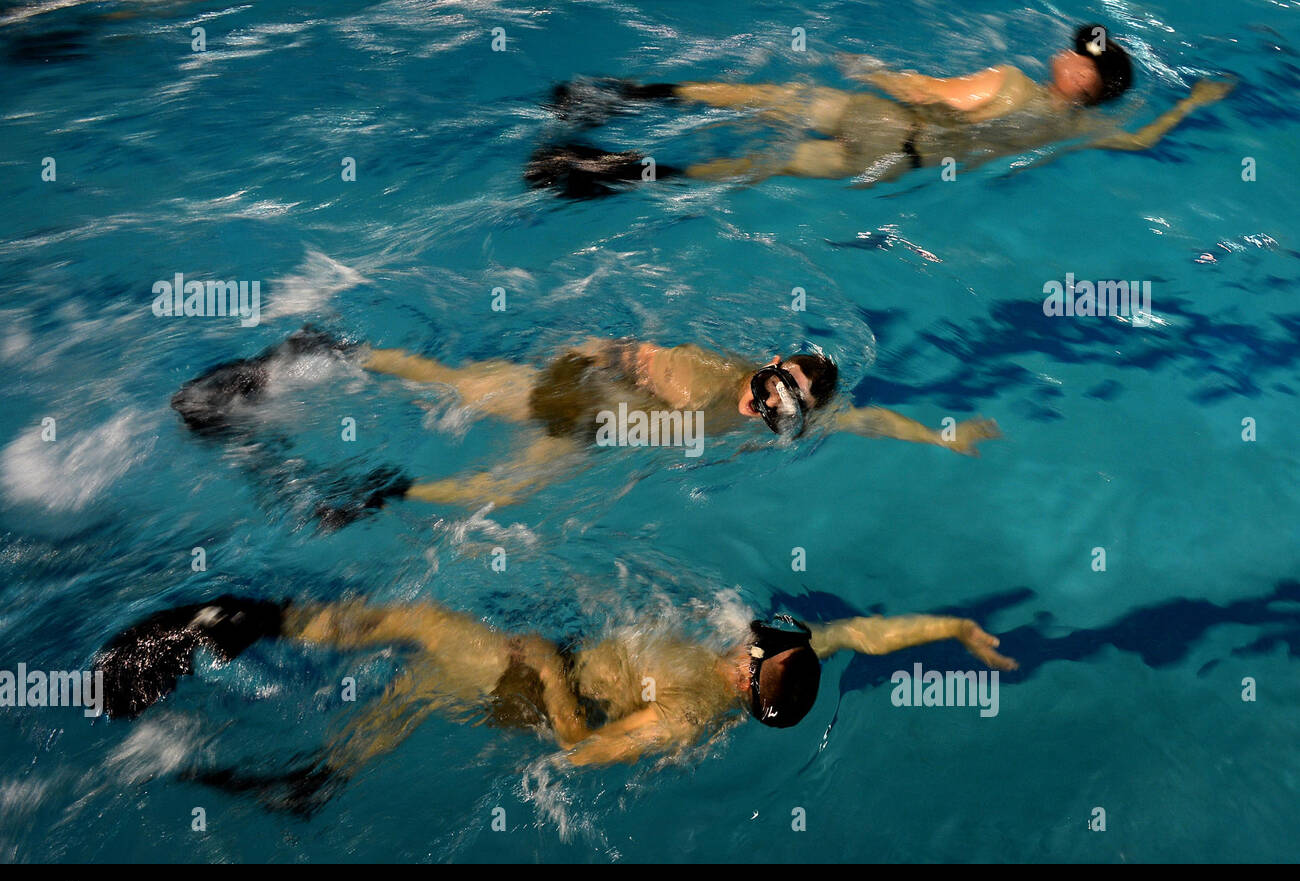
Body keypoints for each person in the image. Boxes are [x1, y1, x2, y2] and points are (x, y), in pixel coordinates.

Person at [95, 590, 1017, 813]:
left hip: (533, 690)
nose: (758, 630)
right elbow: (865, 634)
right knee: (415, 684)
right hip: (554, 663)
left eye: (761, 643)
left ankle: (244, 621)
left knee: (418, 623)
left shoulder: (691, 714)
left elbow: (579, 753)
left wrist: (541, 672)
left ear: (752, 673)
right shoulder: (752, 673)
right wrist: (957, 629)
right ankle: (316, 780)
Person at [170, 328, 1001, 522]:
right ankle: (323, 353)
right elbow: (625, 351)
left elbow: (867, 420)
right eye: (764, 385)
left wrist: (943, 437)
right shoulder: (709, 375)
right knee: (451, 381)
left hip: (604, 437)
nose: (760, 403)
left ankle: (374, 491)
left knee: (498, 498)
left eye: (778, 407)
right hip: (578, 407)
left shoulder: (791, 417)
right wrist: (579, 365)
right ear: (760, 369)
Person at [526, 23, 1235, 197]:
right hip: (897, 165)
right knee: (752, 164)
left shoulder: (1011, 82)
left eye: (1080, 59)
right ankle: (599, 172)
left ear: (1085, 80)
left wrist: (872, 68)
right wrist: (1195, 103)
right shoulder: (1086, 127)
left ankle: (619, 98)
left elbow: (924, 93)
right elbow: (1142, 142)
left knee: (767, 98)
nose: (1068, 55)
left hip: (889, 124)